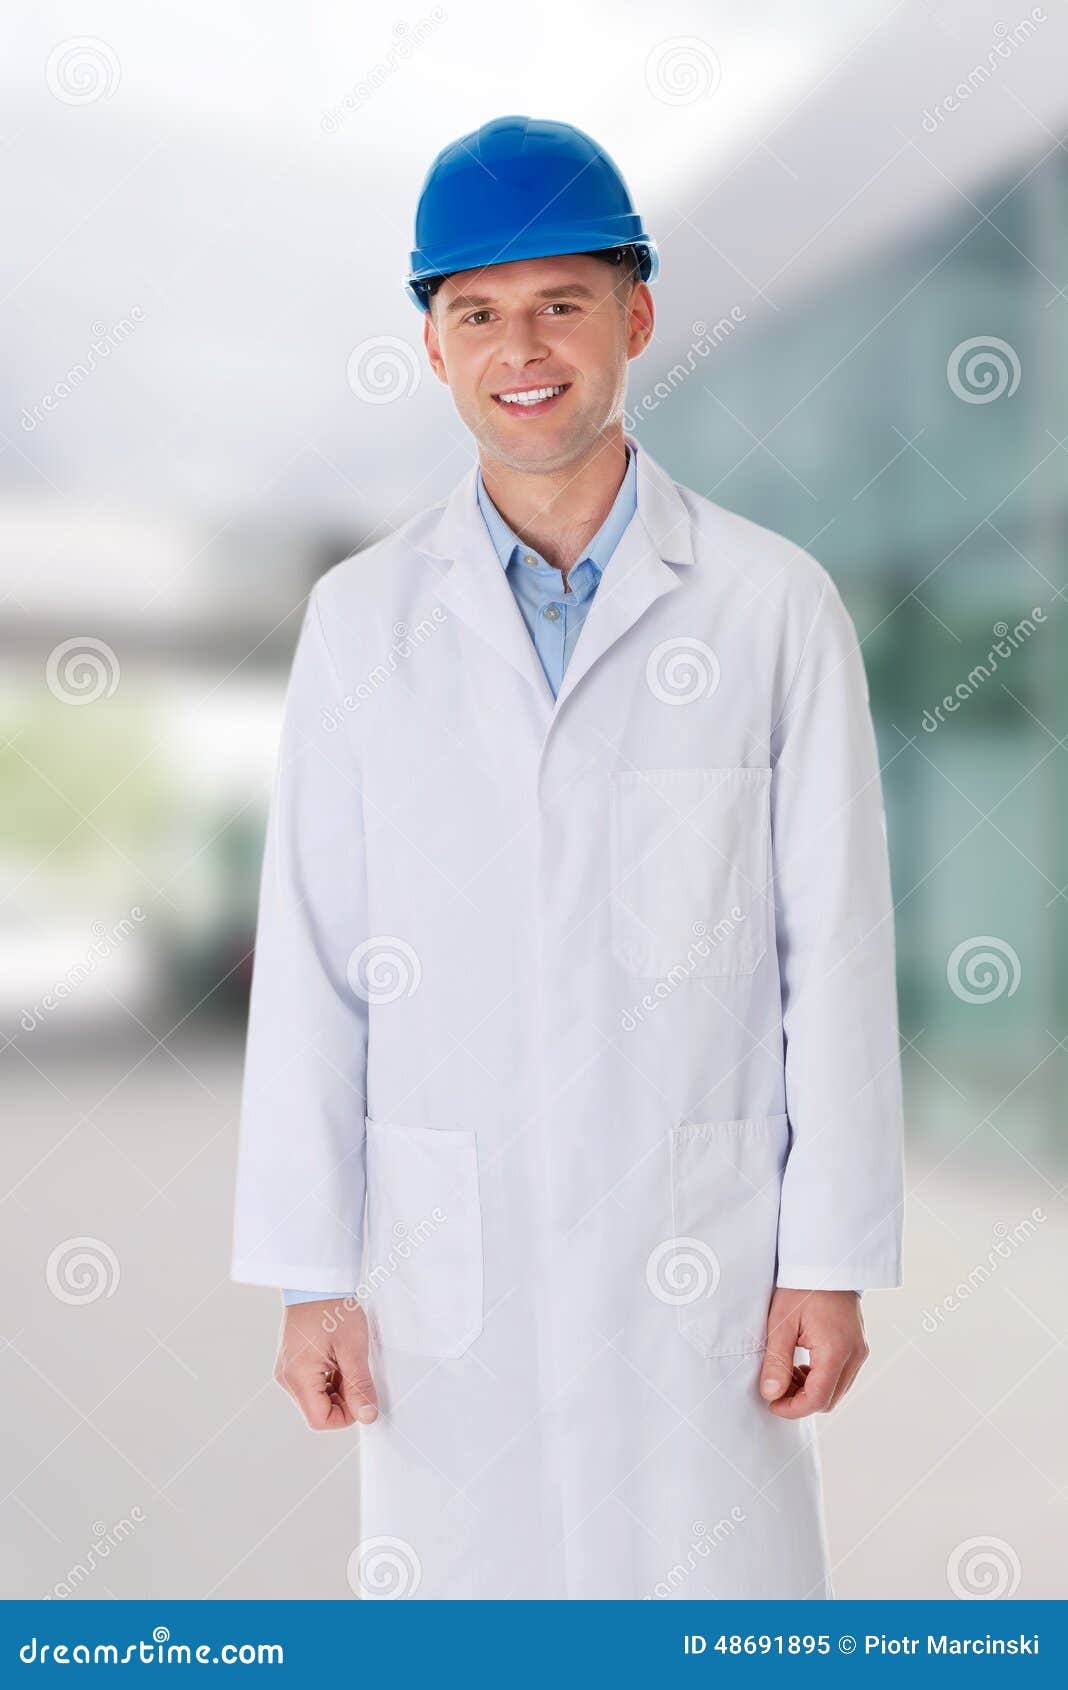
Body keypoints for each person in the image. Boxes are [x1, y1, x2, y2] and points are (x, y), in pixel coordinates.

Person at [231, 115, 905, 1601]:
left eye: (561, 303)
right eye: (476, 310)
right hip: (443, 1276)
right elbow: (317, 962)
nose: (519, 347)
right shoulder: (362, 623)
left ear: (636, 318)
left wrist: (832, 1249)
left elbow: (838, 953)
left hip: (704, 1267)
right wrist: (310, 1272)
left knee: (715, 1614)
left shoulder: (770, 607)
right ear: (432, 342)